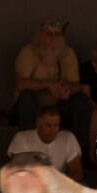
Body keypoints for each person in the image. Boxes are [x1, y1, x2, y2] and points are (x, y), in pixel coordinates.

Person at [13, 17, 90, 155]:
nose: (53, 39)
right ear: (41, 34)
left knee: (81, 100)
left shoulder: (67, 53)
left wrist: (66, 90)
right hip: (34, 108)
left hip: (58, 107)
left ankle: (80, 156)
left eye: (57, 35)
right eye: (49, 34)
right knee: (26, 97)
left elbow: (76, 85)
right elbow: (20, 83)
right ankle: (27, 154)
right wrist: (47, 84)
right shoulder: (28, 52)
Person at [7, 105, 83, 182]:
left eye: (56, 125)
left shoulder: (68, 138)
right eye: (48, 125)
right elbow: (18, 171)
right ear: (38, 124)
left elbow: (76, 172)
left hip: (59, 184)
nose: (52, 130)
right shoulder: (22, 138)